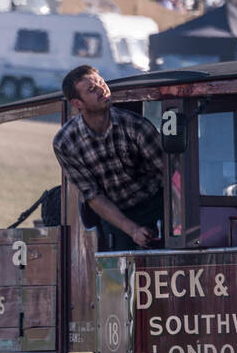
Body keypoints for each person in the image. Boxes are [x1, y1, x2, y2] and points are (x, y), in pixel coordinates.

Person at [53, 65, 166, 250]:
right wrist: (133, 230)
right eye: (91, 89)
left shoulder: (136, 126)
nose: (101, 89)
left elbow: (171, 174)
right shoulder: (65, 143)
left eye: (101, 82)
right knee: (118, 270)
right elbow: (93, 196)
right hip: (115, 214)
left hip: (156, 203)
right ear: (77, 103)